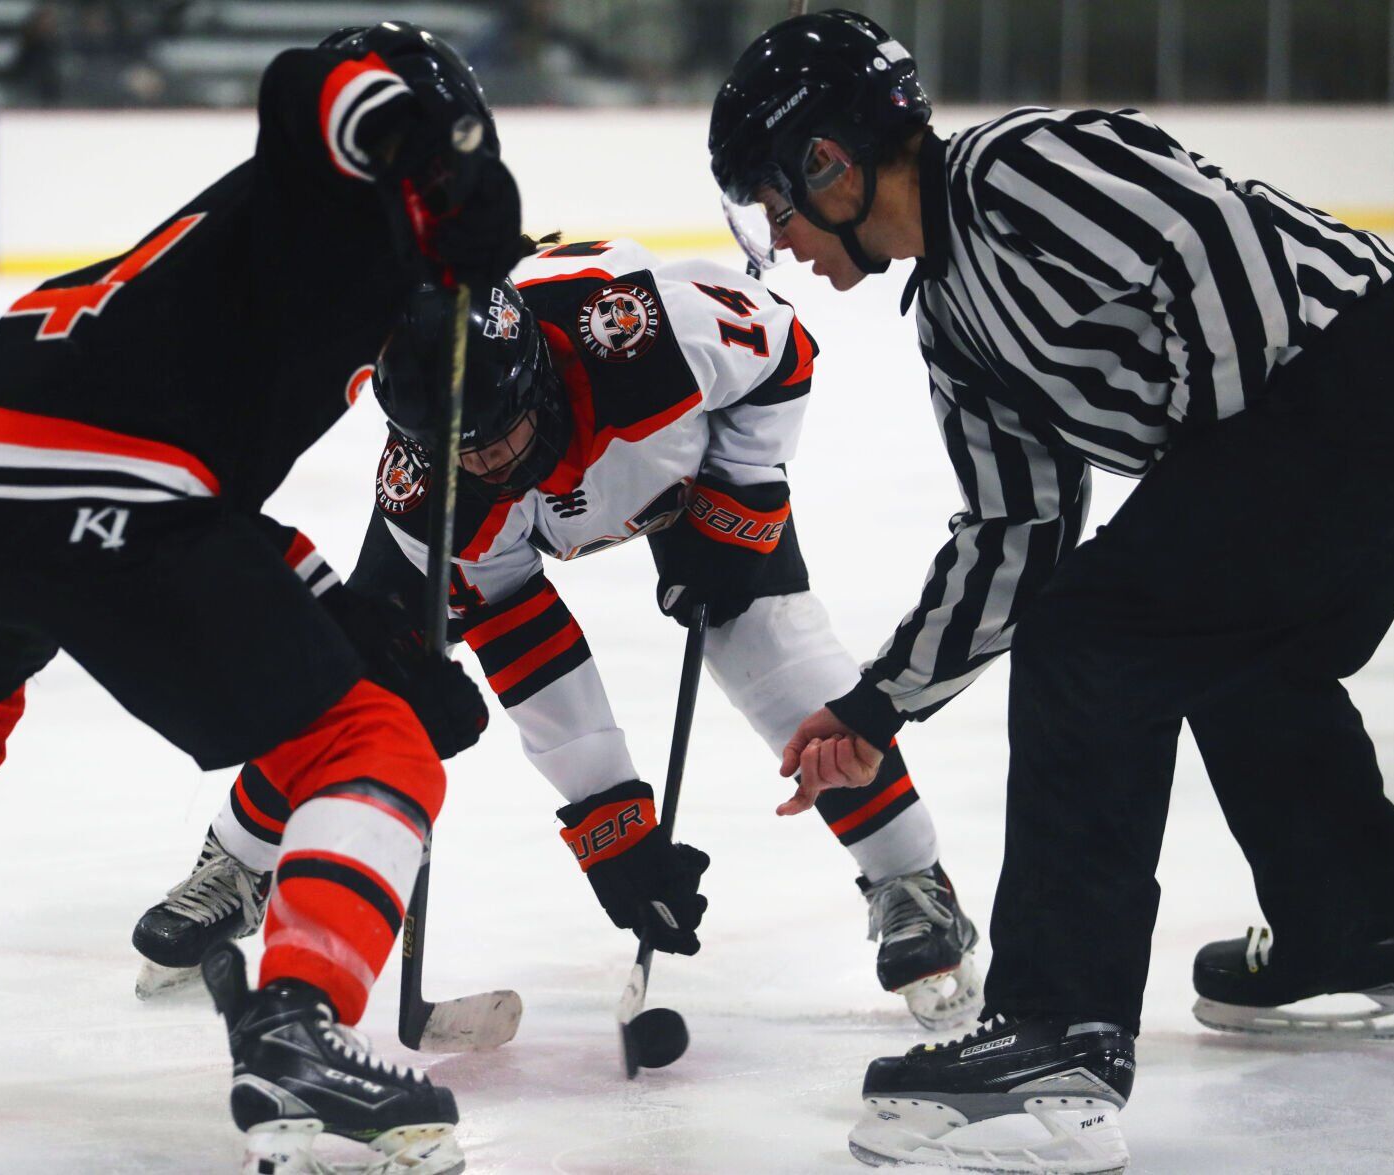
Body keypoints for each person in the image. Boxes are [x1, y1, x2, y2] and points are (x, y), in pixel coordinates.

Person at [0, 22, 517, 1175]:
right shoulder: (339, 193)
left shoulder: (232, 251)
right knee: (376, 748)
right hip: (106, 498)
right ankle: (299, 1025)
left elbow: (209, 517)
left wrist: (356, 624)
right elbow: (306, 85)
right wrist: (425, 147)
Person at [710, 8, 1394, 1171]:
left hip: (1362, 371)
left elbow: (1212, 239)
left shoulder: (1019, 167)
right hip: (1317, 438)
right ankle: (1359, 923)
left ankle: (1054, 1037)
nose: (779, 243)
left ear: (828, 162)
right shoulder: (950, 323)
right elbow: (1012, 531)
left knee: (1104, 630)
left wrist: (1213, 479)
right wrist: (875, 710)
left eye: (774, 203)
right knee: (1223, 648)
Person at [130, 236, 984, 1032]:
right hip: (504, 522)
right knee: (362, 683)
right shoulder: (436, 491)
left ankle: (911, 878)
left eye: (500, 436)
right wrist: (611, 826)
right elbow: (525, 640)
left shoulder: (645, 336)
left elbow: (780, 350)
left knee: (771, 651)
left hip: (690, 469)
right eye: (462, 451)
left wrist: (744, 495)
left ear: (535, 378)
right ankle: (240, 860)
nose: (491, 463)